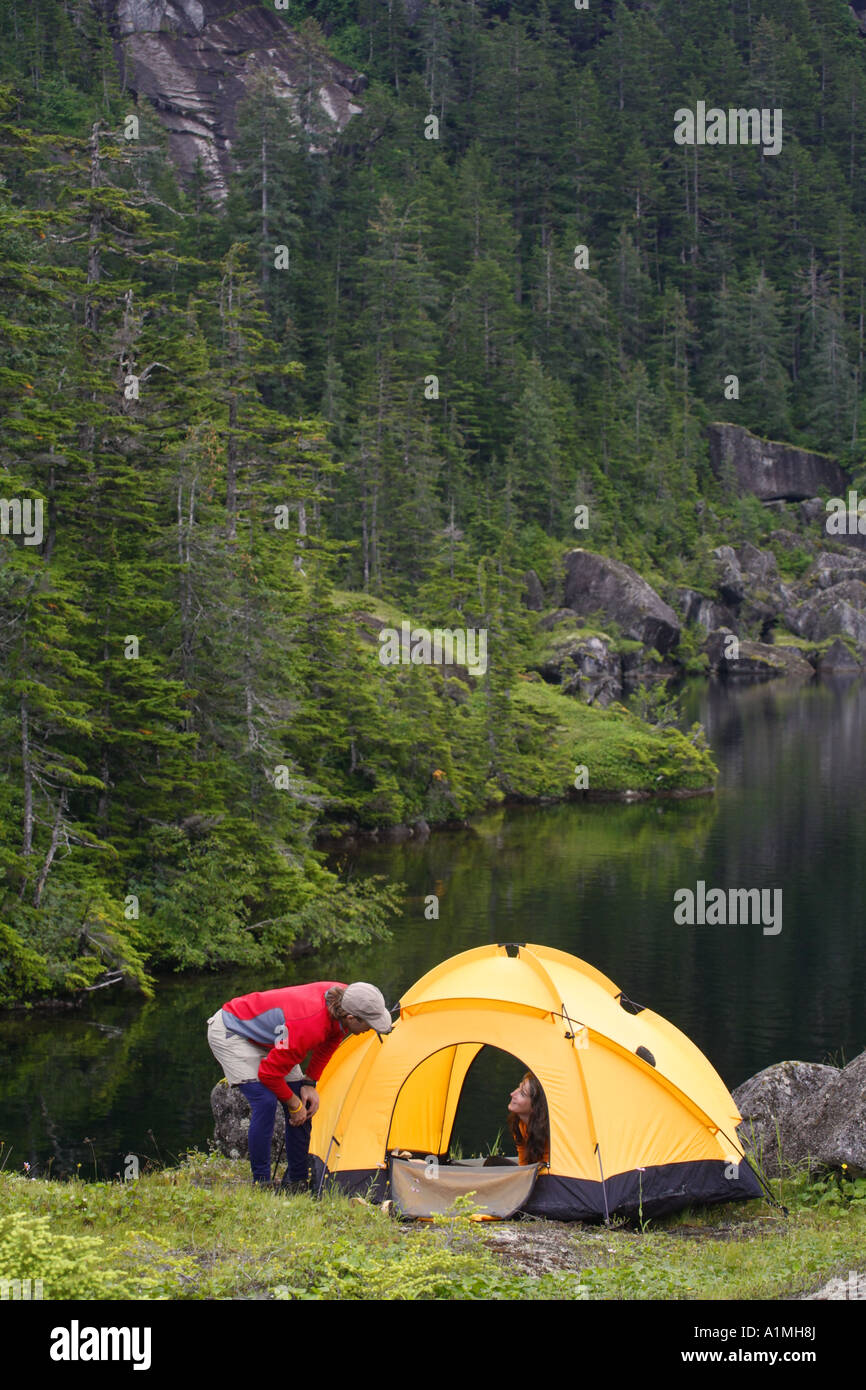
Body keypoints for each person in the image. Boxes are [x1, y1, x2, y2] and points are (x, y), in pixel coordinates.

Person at [207, 980, 392, 1191]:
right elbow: (269, 1074)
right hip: (233, 1031)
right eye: (369, 1023)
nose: (369, 1029)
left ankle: (296, 1181)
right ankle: (262, 1183)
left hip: (277, 1036)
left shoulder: (348, 998)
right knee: (265, 1102)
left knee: (304, 1102)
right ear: (351, 1018)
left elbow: (331, 1040)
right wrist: (294, 1105)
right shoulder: (309, 1024)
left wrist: (309, 1083)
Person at [507, 1071, 550, 1167]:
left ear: (535, 1106)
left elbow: (549, 1170)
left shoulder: (549, 1133)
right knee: (493, 1162)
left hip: (549, 1176)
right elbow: (523, 1162)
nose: (512, 1094)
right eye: (519, 1087)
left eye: (522, 1093)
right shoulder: (519, 1123)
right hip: (532, 1172)